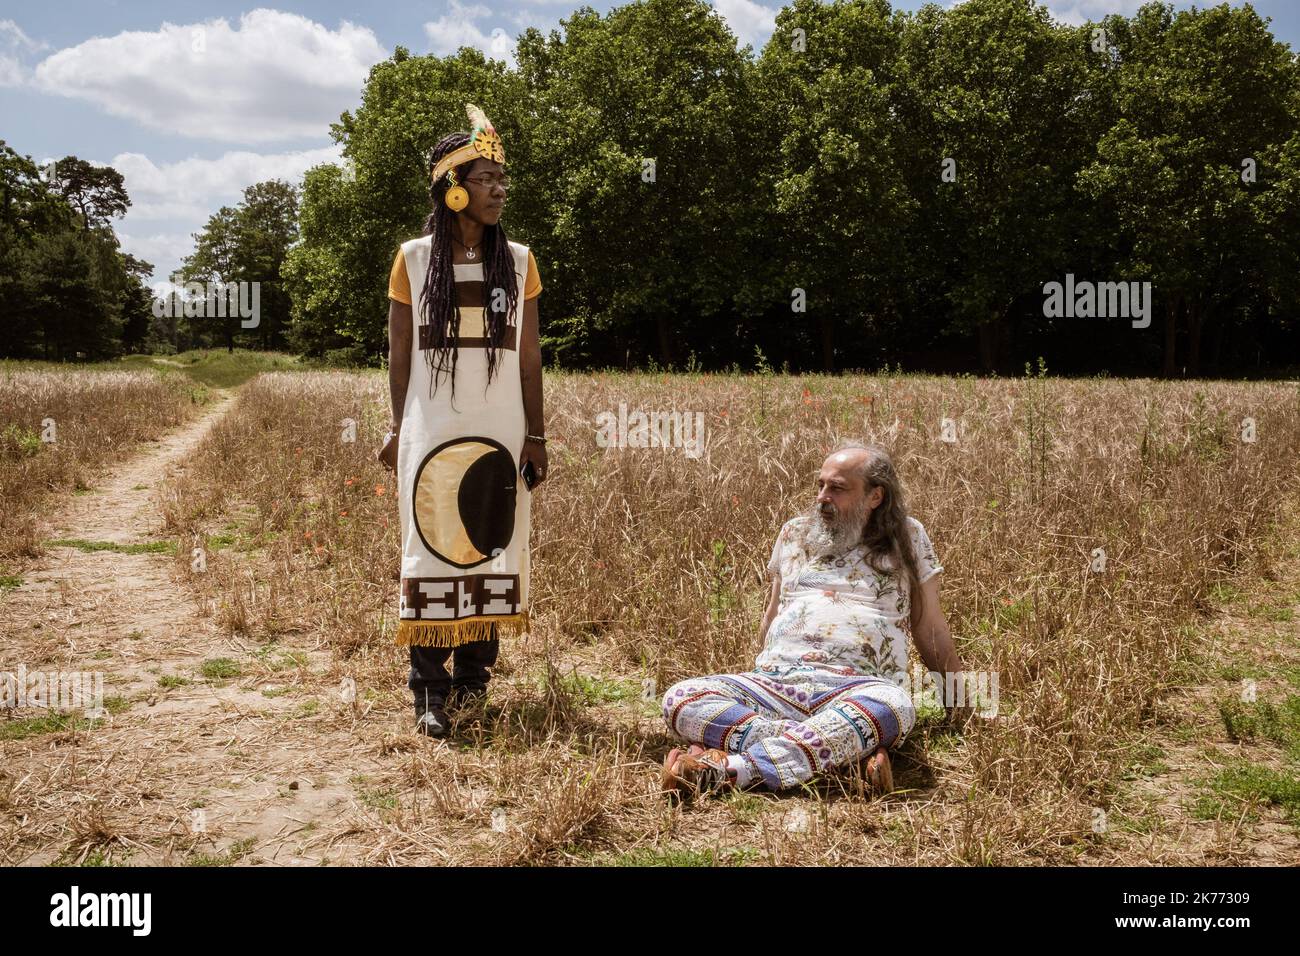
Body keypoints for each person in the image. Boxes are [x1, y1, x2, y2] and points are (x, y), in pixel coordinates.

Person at [660, 443, 966, 798]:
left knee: (894, 707)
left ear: (875, 497)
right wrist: (759, 677)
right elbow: (772, 615)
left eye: (837, 488)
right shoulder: (793, 534)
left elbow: (930, 627)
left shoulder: (909, 537)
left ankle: (734, 769)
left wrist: (960, 703)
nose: (822, 497)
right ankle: (839, 754)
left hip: (859, 687)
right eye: (820, 485)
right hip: (775, 684)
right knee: (681, 698)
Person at [377, 103, 546, 738]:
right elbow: (399, 360)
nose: (499, 190)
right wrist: (397, 428)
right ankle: (429, 689)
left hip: (500, 429)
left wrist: (536, 434)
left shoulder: (521, 262)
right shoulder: (415, 261)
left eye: (503, 180)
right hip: (431, 426)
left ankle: (475, 685)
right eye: (485, 179)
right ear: (453, 188)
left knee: (491, 542)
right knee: (430, 547)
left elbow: (530, 359)